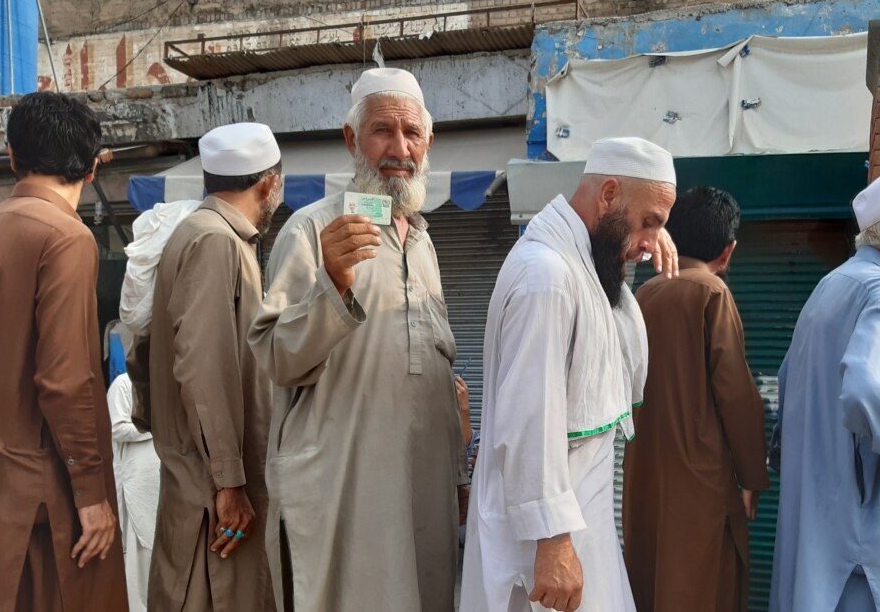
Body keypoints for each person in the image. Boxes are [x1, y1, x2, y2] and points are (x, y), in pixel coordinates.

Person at [249, 68, 466, 611]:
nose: (399, 149)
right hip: (344, 498)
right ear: (351, 139)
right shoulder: (312, 230)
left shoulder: (423, 243)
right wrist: (334, 283)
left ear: (429, 143)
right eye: (382, 131)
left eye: (412, 134)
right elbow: (275, 356)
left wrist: (460, 471)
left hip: (424, 496)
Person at [460, 136, 679, 612]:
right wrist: (553, 541)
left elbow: (610, 310)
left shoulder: (581, 263)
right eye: (649, 221)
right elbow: (528, 420)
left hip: (580, 529)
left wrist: (642, 234)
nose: (651, 243)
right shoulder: (546, 278)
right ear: (608, 194)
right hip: (545, 545)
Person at [0, 91, 129, 612]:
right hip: (52, 492)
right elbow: (64, 378)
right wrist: (91, 493)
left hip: (0, 484)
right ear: (92, 165)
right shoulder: (66, 238)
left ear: (12, 156)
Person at [770, 161, 880, 612]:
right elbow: (869, 391)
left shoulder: (832, 285)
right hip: (860, 540)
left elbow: (788, 386)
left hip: (819, 525)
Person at [145, 122, 283, 612]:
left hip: (204, 483)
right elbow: (202, 367)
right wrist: (229, 482)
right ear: (270, 184)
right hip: (213, 498)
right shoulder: (215, 241)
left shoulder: (206, 234)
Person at [622, 186, 770, 612]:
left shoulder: (641, 296)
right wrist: (751, 477)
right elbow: (736, 394)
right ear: (728, 251)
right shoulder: (711, 293)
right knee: (705, 586)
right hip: (700, 478)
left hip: (644, 470)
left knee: (650, 581)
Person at [107, 370, 161, 612]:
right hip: (136, 486)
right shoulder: (123, 384)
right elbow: (116, 428)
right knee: (138, 560)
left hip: (160, 486)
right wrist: (156, 429)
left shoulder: (165, 384)